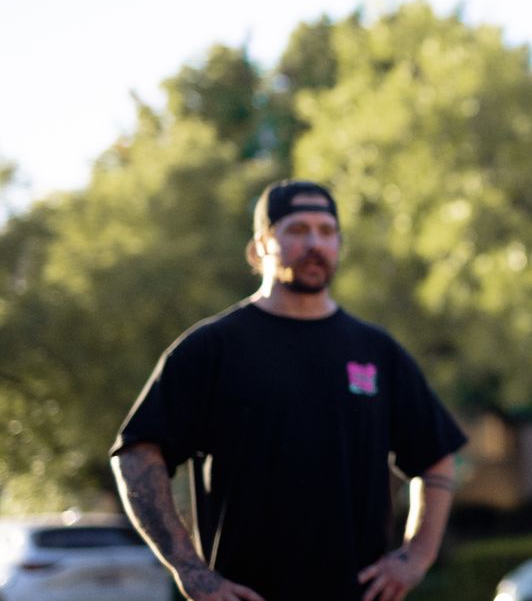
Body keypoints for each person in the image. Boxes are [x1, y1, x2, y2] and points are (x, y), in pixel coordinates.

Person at [111, 180, 467, 601]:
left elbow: (436, 458)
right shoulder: (213, 348)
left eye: (327, 230)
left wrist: (415, 558)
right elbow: (137, 454)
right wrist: (189, 570)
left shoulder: (376, 351)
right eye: (297, 230)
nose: (315, 243)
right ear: (262, 244)